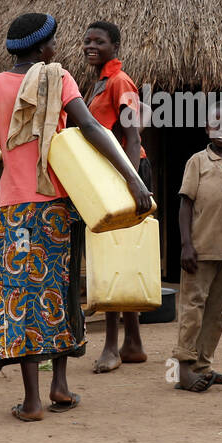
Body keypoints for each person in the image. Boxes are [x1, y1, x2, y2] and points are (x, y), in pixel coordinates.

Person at [0, 12, 152, 421]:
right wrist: (133, 178)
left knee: (22, 294)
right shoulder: (59, 78)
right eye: (53, 43)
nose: (58, 49)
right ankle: (61, 388)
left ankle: (32, 401)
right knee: (61, 290)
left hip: (15, 210)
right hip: (57, 206)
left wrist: (7, 150)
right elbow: (90, 127)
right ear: (42, 47)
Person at [81, 20, 152, 374]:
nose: (91, 46)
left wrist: (134, 182)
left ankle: (111, 346)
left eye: (99, 41)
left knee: (111, 256)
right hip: (113, 175)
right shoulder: (99, 83)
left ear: (115, 45)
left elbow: (132, 133)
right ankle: (134, 342)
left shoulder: (120, 82)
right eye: (87, 41)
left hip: (125, 175)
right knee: (120, 255)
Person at [173, 101, 222, 393]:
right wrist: (186, 246)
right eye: (216, 125)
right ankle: (183, 370)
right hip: (199, 249)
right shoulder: (197, 161)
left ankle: (203, 366)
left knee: (216, 312)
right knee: (193, 308)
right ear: (207, 129)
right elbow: (186, 204)